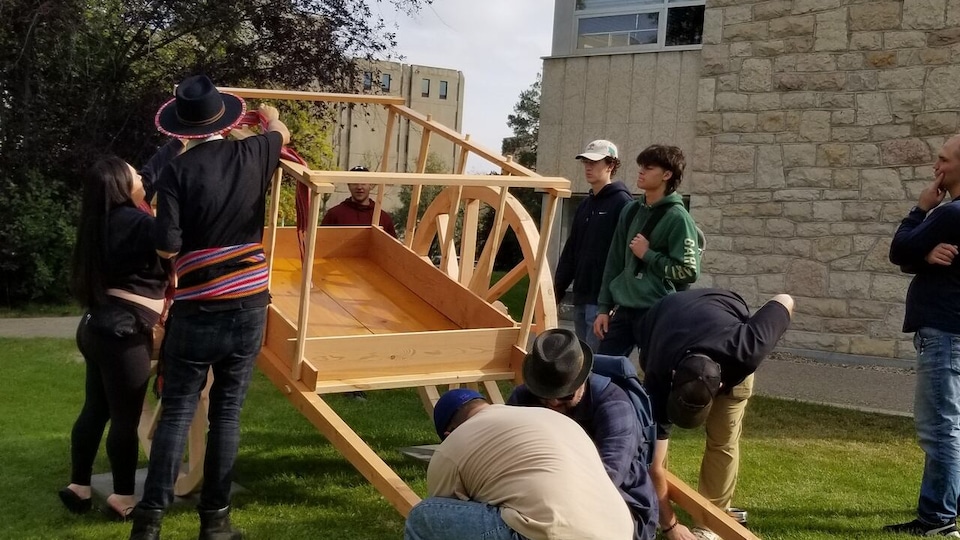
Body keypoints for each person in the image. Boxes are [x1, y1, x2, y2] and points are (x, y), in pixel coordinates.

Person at [128, 74, 290, 540]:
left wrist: (174, 263)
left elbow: (168, 242)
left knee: (178, 407)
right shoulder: (256, 152)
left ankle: (149, 522)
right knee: (227, 413)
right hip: (249, 303)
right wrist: (269, 119)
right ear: (228, 119)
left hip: (198, 306)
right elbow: (281, 130)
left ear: (181, 129)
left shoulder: (178, 171)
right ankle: (215, 522)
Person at [60, 148, 177, 520]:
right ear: (122, 187)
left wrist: (176, 142)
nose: (143, 178)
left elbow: (152, 173)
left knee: (95, 409)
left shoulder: (99, 220)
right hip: (124, 333)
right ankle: (124, 496)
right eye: (135, 176)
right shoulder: (137, 223)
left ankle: (79, 486)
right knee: (125, 419)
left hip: (97, 326)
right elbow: (173, 239)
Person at [636, 288, 793, 540]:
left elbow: (784, 300)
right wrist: (670, 526)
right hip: (667, 320)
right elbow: (653, 463)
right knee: (651, 446)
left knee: (723, 440)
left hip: (727, 323)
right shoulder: (659, 372)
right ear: (673, 378)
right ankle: (652, 508)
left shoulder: (747, 348)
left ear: (720, 387)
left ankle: (709, 526)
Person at [405, 388, 635, 540]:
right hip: (621, 530)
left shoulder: (452, 445)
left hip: (552, 533)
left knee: (423, 516)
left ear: (448, 432)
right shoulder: (551, 418)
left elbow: (447, 514)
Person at [507, 328, 657, 540]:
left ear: (583, 379)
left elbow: (609, 477)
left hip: (618, 499)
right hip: (544, 491)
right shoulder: (522, 398)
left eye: (565, 395)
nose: (553, 403)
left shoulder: (615, 406)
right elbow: (506, 450)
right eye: (545, 394)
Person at [886, 134, 960, 538]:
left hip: (945, 332)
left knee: (941, 428)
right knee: (954, 425)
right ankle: (947, 506)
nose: (937, 167)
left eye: (944, 160)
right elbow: (911, 257)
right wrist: (927, 255)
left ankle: (938, 518)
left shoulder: (949, 215)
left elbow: (899, 249)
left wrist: (920, 208)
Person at [593, 144, 700, 356]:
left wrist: (648, 255)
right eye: (641, 166)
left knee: (654, 378)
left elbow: (689, 271)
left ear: (667, 175)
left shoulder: (679, 218)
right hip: (624, 309)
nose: (641, 171)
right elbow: (614, 261)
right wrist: (604, 308)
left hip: (657, 311)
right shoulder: (631, 210)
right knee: (602, 372)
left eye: (649, 168)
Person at [554, 140, 633, 351]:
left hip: (603, 304)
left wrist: (611, 305)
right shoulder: (585, 205)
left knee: (598, 367)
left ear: (611, 165)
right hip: (581, 298)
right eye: (586, 162)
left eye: (595, 162)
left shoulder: (623, 204)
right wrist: (556, 290)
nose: (588, 167)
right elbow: (571, 251)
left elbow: (627, 258)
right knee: (582, 365)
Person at [320, 165, 397, 238]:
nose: (359, 187)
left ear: (370, 185)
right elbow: (321, 243)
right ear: (349, 185)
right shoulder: (335, 215)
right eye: (355, 183)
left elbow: (393, 249)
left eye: (363, 183)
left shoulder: (383, 218)